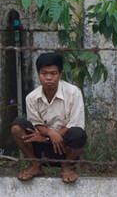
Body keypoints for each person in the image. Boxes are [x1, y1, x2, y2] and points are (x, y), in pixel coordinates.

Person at [12, 52, 88, 183]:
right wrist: (48, 134)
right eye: (44, 73)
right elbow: (36, 123)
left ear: (60, 75)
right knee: (17, 127)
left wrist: (53, 136)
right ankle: (35, 165)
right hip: (41, 144)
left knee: (78, 133)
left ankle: (66, 167)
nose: (48, 78)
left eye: (53, 73)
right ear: (38, 75)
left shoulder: (73, 93)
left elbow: (75, 123)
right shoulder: (32, 97)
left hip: (65, 145)